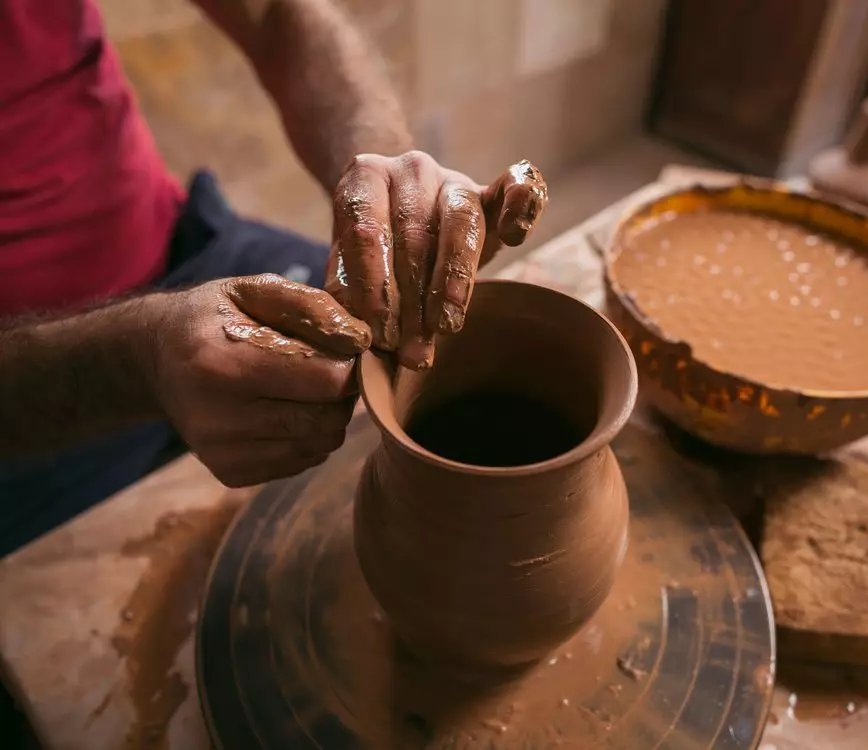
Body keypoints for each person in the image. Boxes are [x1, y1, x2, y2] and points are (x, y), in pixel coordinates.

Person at [0, 0, 549, 557]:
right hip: (30, 401)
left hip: (178, 245)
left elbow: (274, 13)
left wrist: (380, 188)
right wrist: (137, 360)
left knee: (399, 332)